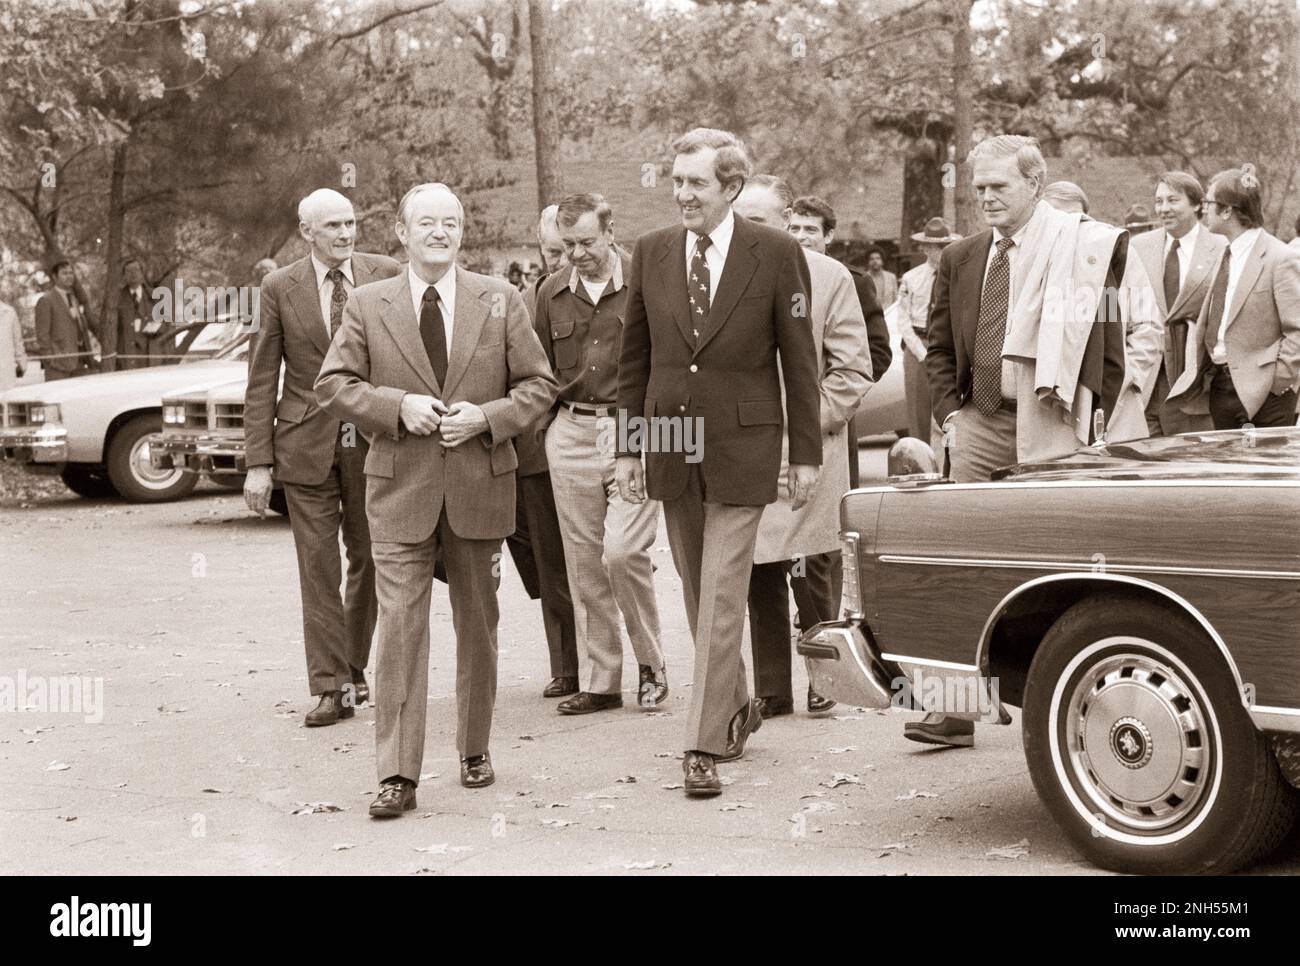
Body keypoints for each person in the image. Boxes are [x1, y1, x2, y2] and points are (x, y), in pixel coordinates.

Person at [316, 182, 557, 817]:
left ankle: (473, 747)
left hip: (480, 487)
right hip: (400, 490)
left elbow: (539, 386)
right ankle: (397, 771)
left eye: (450, 223)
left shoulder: (501, 299)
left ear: (461, 234)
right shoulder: (368, 303)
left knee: (479, 622)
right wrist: (397, 407)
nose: (441, 233)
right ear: (401, 232)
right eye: (427, 223)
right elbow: (334, 384)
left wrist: (488, 417)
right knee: (400, 630)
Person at [615, 128, 822, 797]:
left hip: (744, 443)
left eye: (696, 183)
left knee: (723, 591)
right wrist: (626, 446)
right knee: (699, 590)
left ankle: (700, 745)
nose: (682, 195)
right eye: (676, 182)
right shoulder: (649, 253)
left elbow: (799, 360)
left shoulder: (777, 253)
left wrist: (807, 455)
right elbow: (633, 362)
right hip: (673, 442)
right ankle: (734, 705)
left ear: (730, 188)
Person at [919, 134, 1131, 748]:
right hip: (978, 423)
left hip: (1054, 422)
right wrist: (951, 415)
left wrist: (1098, 421)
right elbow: (938, 349)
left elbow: (1107, 341)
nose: (986, 197)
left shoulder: (1080, 249)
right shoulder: (960, 258)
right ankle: (955, 710)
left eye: (999, 187)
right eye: (979, 187)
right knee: (962, 563)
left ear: (1035, 184)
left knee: (1060, 561)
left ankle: (1075, 707)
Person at [243, 189, 402, 728]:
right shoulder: (279, 287)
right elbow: (263, 376)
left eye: (351, 223)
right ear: (306, 231)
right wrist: (258, 462)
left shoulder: (385, 273)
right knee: (317, 567)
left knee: (369, 557)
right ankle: (330, 686)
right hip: (304, 444)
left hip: (372, 439)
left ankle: (354, 668)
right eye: (332, 225)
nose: (345, 234)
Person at [735, 175, 871, 719]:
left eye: (759, 220)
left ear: (788, 220)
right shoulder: (723, 277)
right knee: (756, 569)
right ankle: (772, 687)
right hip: (743, 449)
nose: (745, 229)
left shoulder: (828, 276)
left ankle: (825, 675)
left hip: (806, 448)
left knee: (809, 569)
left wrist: (803, 428)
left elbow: (852, 368)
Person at [534, 193, 669, 715]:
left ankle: (652, 665)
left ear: (611, 231)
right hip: (570, 432)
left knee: (623, 552)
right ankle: (603, 678)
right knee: (584, 561)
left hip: (635, 428)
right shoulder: (549, 292)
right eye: (567, 245)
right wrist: (548, 429)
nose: (577, 254)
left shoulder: (648, 281)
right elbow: (538, 367)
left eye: (587, 242)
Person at [1167, 167, 1300, 429]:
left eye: (1208, 203)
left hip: (1266, 397)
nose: (1203, 209)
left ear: (1227, 211)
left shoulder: (1280, 258)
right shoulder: (1225, 255)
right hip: (1221, 389)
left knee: (1264, 472)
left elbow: (1297, 330)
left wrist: (1276, 384)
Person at [510, 206, 579, 699]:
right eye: (553, 251)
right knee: (550, 562)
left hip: (587, 442)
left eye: (568, 249)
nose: (561, 260)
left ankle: (614, 660)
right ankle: (568, 664)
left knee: (599, 560)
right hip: (535, 448)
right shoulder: (524, 299)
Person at [789, 194, 891, 485]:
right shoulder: (777, 276)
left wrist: (836, 394)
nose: (801, 237)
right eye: (794, 229)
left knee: (835, 502)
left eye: (810, 230)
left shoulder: (853, 281)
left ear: (829, 235)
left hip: (830, 412)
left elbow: (878, 351)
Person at [1129, 172, 1224, 436]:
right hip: (1147, 383)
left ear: (1196, 205)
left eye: (1172, 200)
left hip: (1198, 387)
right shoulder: (1138, 247)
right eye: (1159, 201)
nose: (1163, 208)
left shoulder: (1220, 247)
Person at [897, 217, 962, 446]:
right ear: (925, 248)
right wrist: (920, 351)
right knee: (918, 408)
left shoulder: (956, 275)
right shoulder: (912, 277)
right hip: (919, 344)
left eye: (945, 246)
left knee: (948, 407)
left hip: (946, 346)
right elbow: (903, 319)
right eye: (936, 247)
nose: (941, 252)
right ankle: (919, 455)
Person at [34, 259, 96, 380]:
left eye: (70, 273)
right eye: (64, 273)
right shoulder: (46, 300)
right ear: (55, 277)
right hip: (58, 365)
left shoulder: (74, 298)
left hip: (80, 361)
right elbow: (42, 335)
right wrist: (51, 360)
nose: (69, 276)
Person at [0, 297, 28, 390]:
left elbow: (17, 341)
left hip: (6, 369)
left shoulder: (9, 312)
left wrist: (22, 363)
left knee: (7, 400)